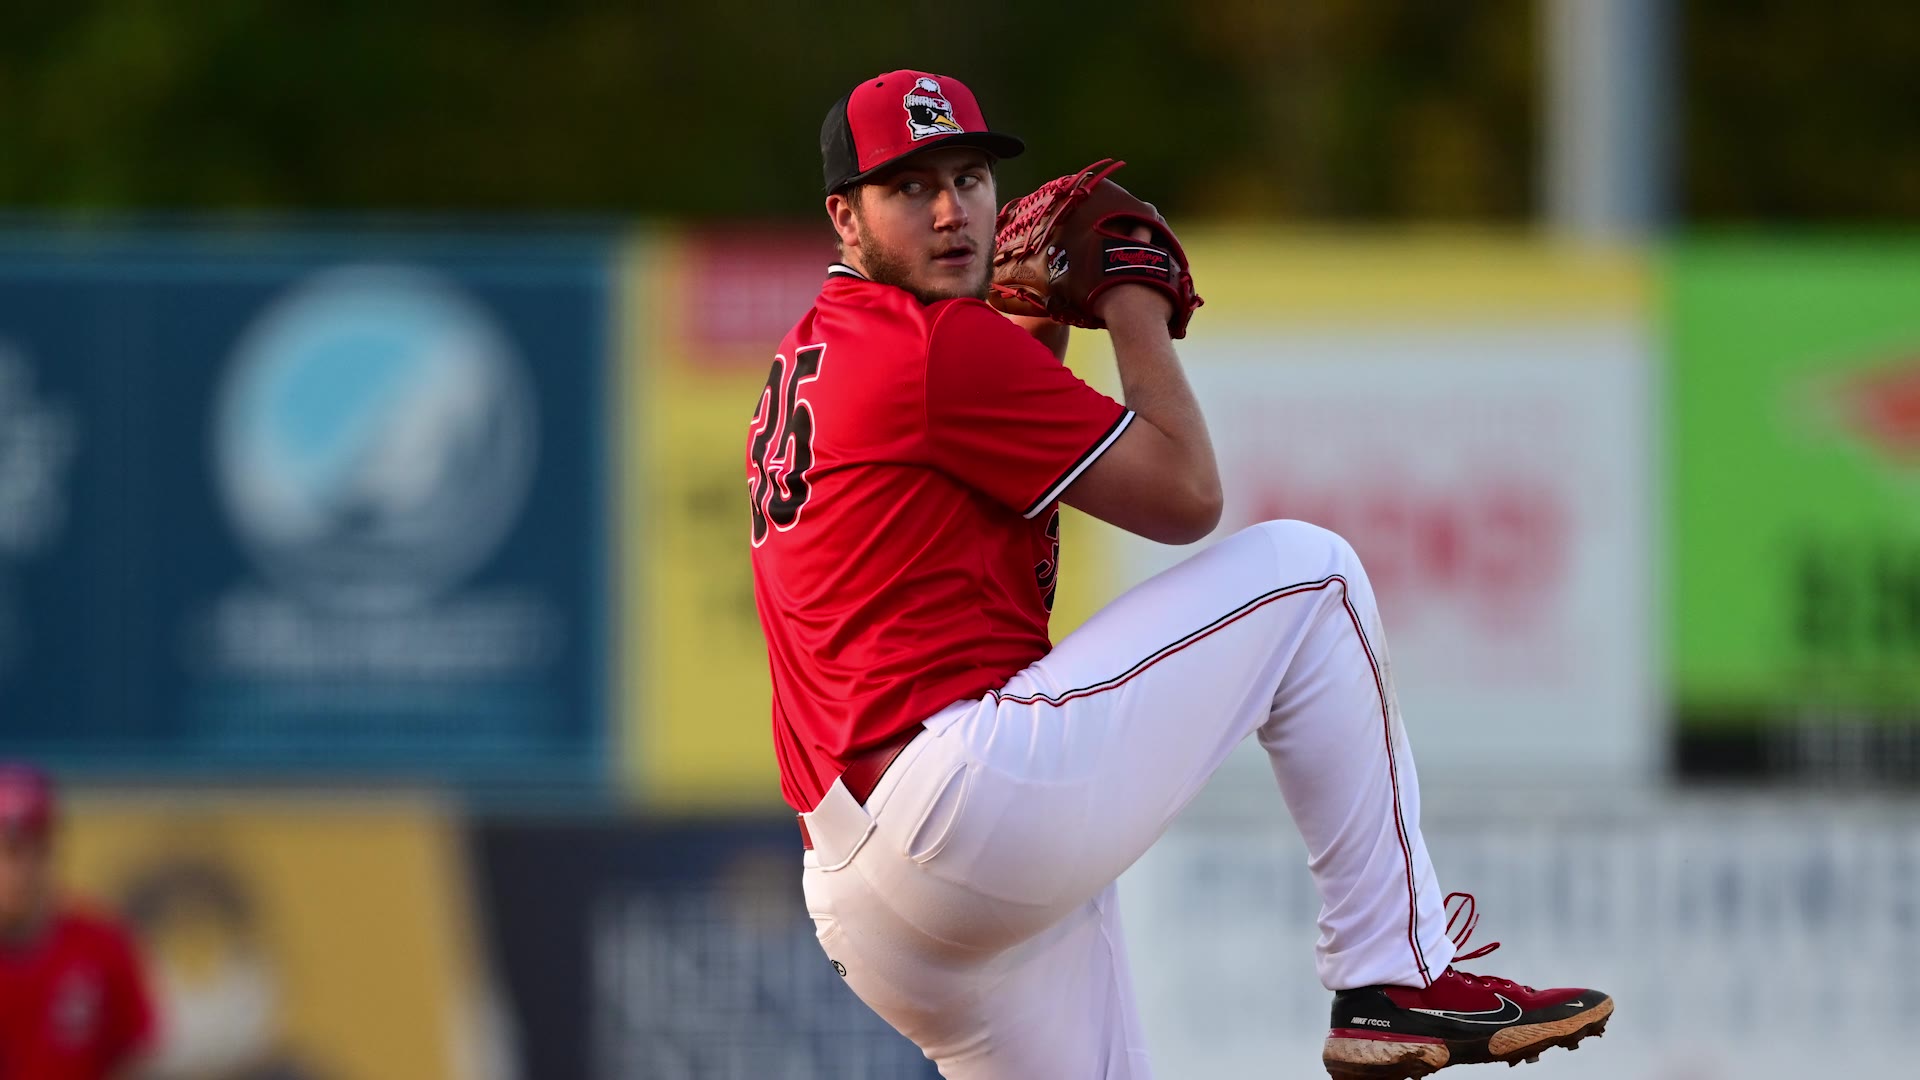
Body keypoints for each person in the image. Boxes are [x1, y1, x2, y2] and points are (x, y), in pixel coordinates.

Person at [747, 68, 1612, 1079]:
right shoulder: (936, 345)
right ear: (844, 217)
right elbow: (1186, 495)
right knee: (1314, 580)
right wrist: (1129, 301)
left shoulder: (819, 350)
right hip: (954, 810)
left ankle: (1394, 978)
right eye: (911, 187)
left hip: (865, 897)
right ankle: (1395, 975)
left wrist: (1042, 317)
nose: (952, 211)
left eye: (969, 178)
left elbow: (994, 463)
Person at [0, 763, 157, 1080]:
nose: (22, 870)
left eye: (37, 849)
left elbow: (136, 1056)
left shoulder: (101, 947)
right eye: (9, 852)